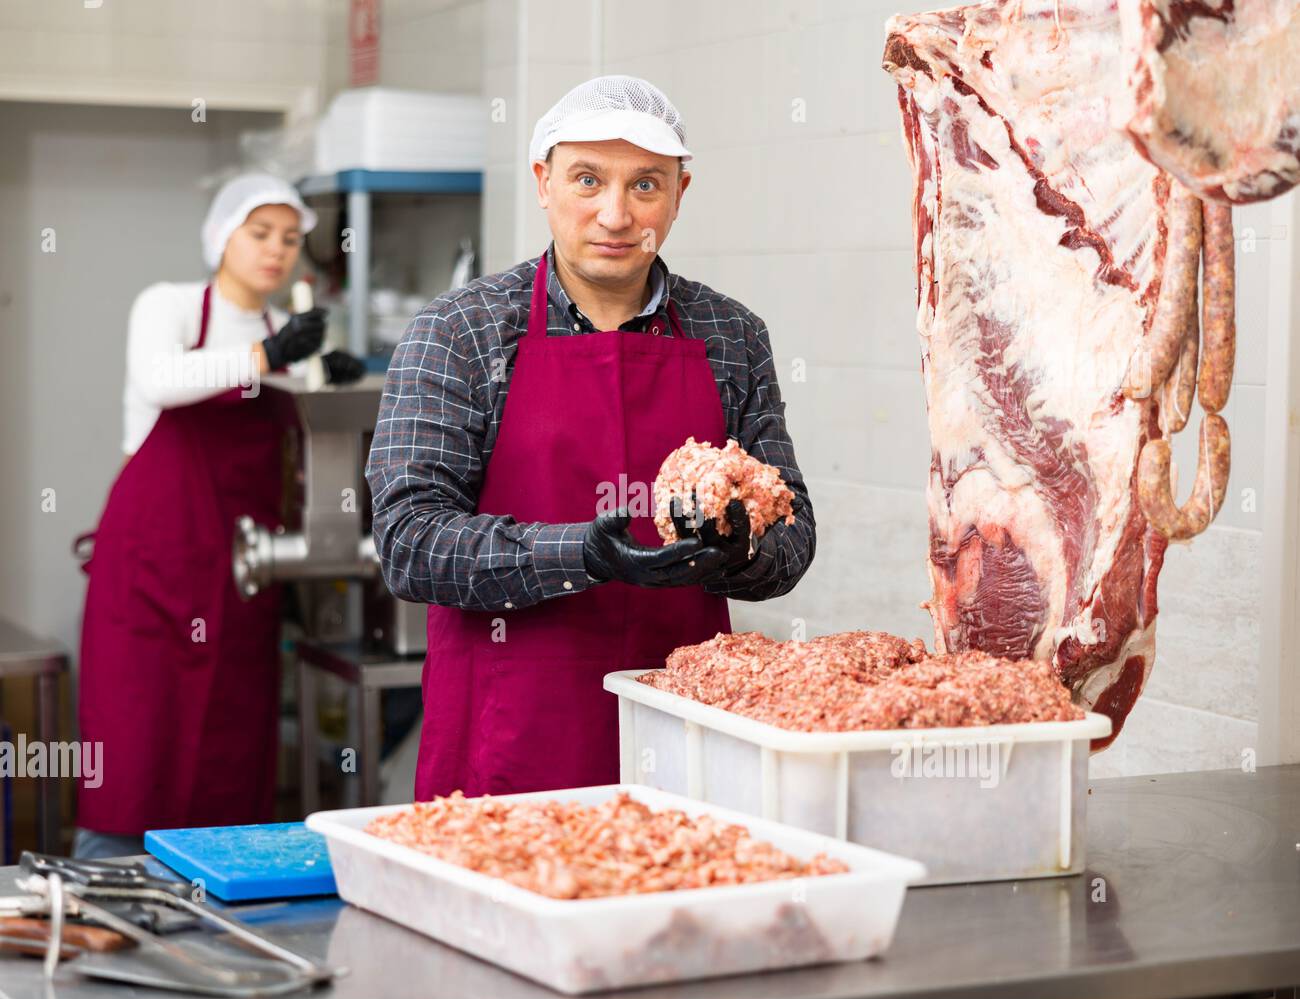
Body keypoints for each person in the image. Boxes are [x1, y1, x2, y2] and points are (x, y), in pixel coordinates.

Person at [366, 76, 815, 801]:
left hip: (686, 742)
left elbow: (792, 532)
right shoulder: (461, 331)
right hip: (509, 747)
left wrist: (741, 550)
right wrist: (579, 554)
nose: (615, 213)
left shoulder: (731, 335)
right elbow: (408, 542)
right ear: (543, 183)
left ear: (679, 194)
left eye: (645, 185)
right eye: (586, 179)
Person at [74, 173, 363, 859]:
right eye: (259, 233)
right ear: (220, 237)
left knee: (227, 744)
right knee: (137, 738)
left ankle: (227, 894)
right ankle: (103, 882)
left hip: (240, 579)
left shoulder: (280, 331)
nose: (276, 250)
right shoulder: (170, 306)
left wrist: (324, 376)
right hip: (149, 574)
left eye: (291, 239)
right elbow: (160, 381)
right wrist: (273, 358)